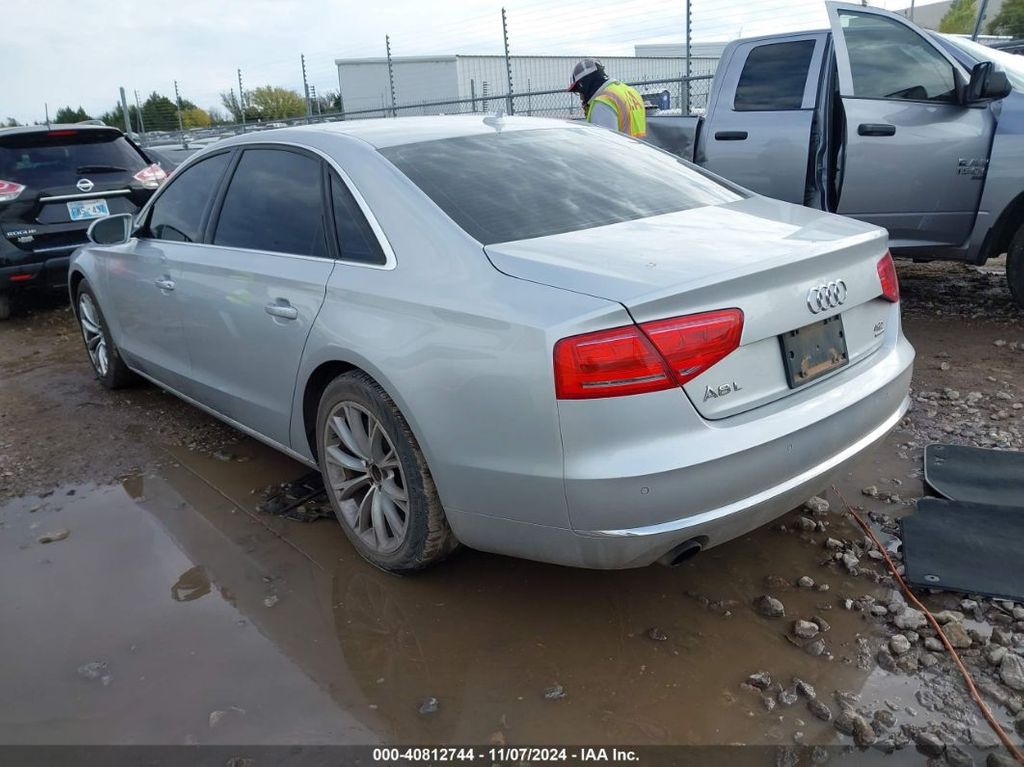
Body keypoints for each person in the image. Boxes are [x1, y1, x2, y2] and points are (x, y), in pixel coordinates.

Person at [567, 58, 646, 138]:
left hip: (620, 150)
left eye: (579, 91)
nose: (581, 97)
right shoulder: (629, 91)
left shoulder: (603, 103)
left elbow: (605, 144)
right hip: (641, 149)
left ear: (583, 85)